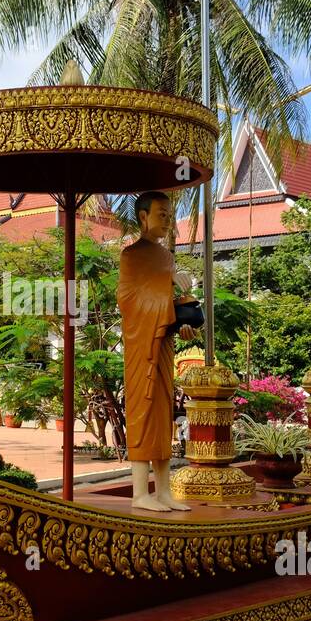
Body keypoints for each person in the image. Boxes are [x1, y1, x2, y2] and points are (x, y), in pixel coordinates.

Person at [117, 191, 198, 511]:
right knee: (143, 412)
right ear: (143, 217)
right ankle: (140, 492)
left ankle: (163, 490)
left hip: (162, 342)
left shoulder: (165, 257)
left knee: (164, 413)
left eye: (170, 215)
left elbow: (167, 303)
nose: (168, 221)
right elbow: (128, 301)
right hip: (141, 345)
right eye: (161, 214)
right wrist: (167, 285)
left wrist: (182, 321)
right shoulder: (131, 255)